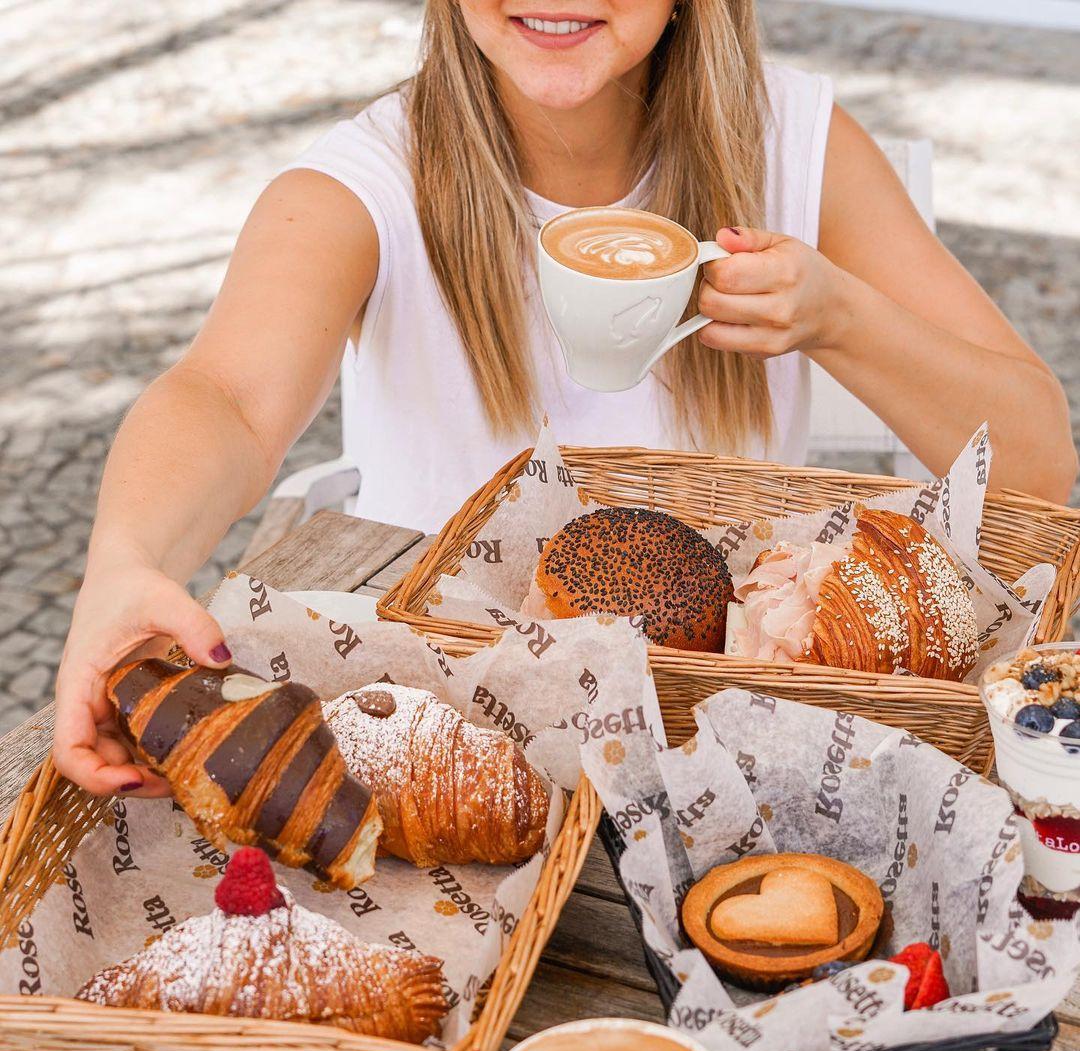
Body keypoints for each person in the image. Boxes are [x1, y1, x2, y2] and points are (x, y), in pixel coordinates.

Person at [53, 1, 1076, 797]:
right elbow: (224, 398)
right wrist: (124, 562)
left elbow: (1035, 461)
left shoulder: (797, 145)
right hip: (446, 731)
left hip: (728, 736)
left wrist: (843, 319)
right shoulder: (360, 185)